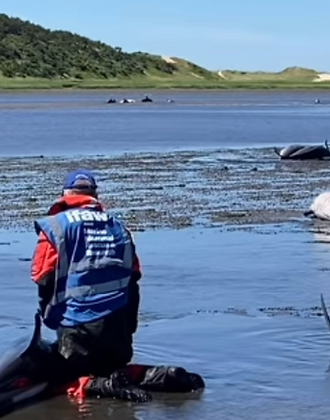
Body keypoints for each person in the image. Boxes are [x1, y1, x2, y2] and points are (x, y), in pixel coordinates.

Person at [31, 170, 202, 402]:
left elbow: (42, 277)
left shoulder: (56, 227)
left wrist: (50, 318)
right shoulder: (118, 227)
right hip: (117, 326)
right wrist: (128, 330)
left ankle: (99, 386)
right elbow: (134, 279)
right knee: (112, 366)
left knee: (57, 379)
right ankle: (162, 376)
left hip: (77, 327)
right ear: (94, 195)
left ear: (65, 195)